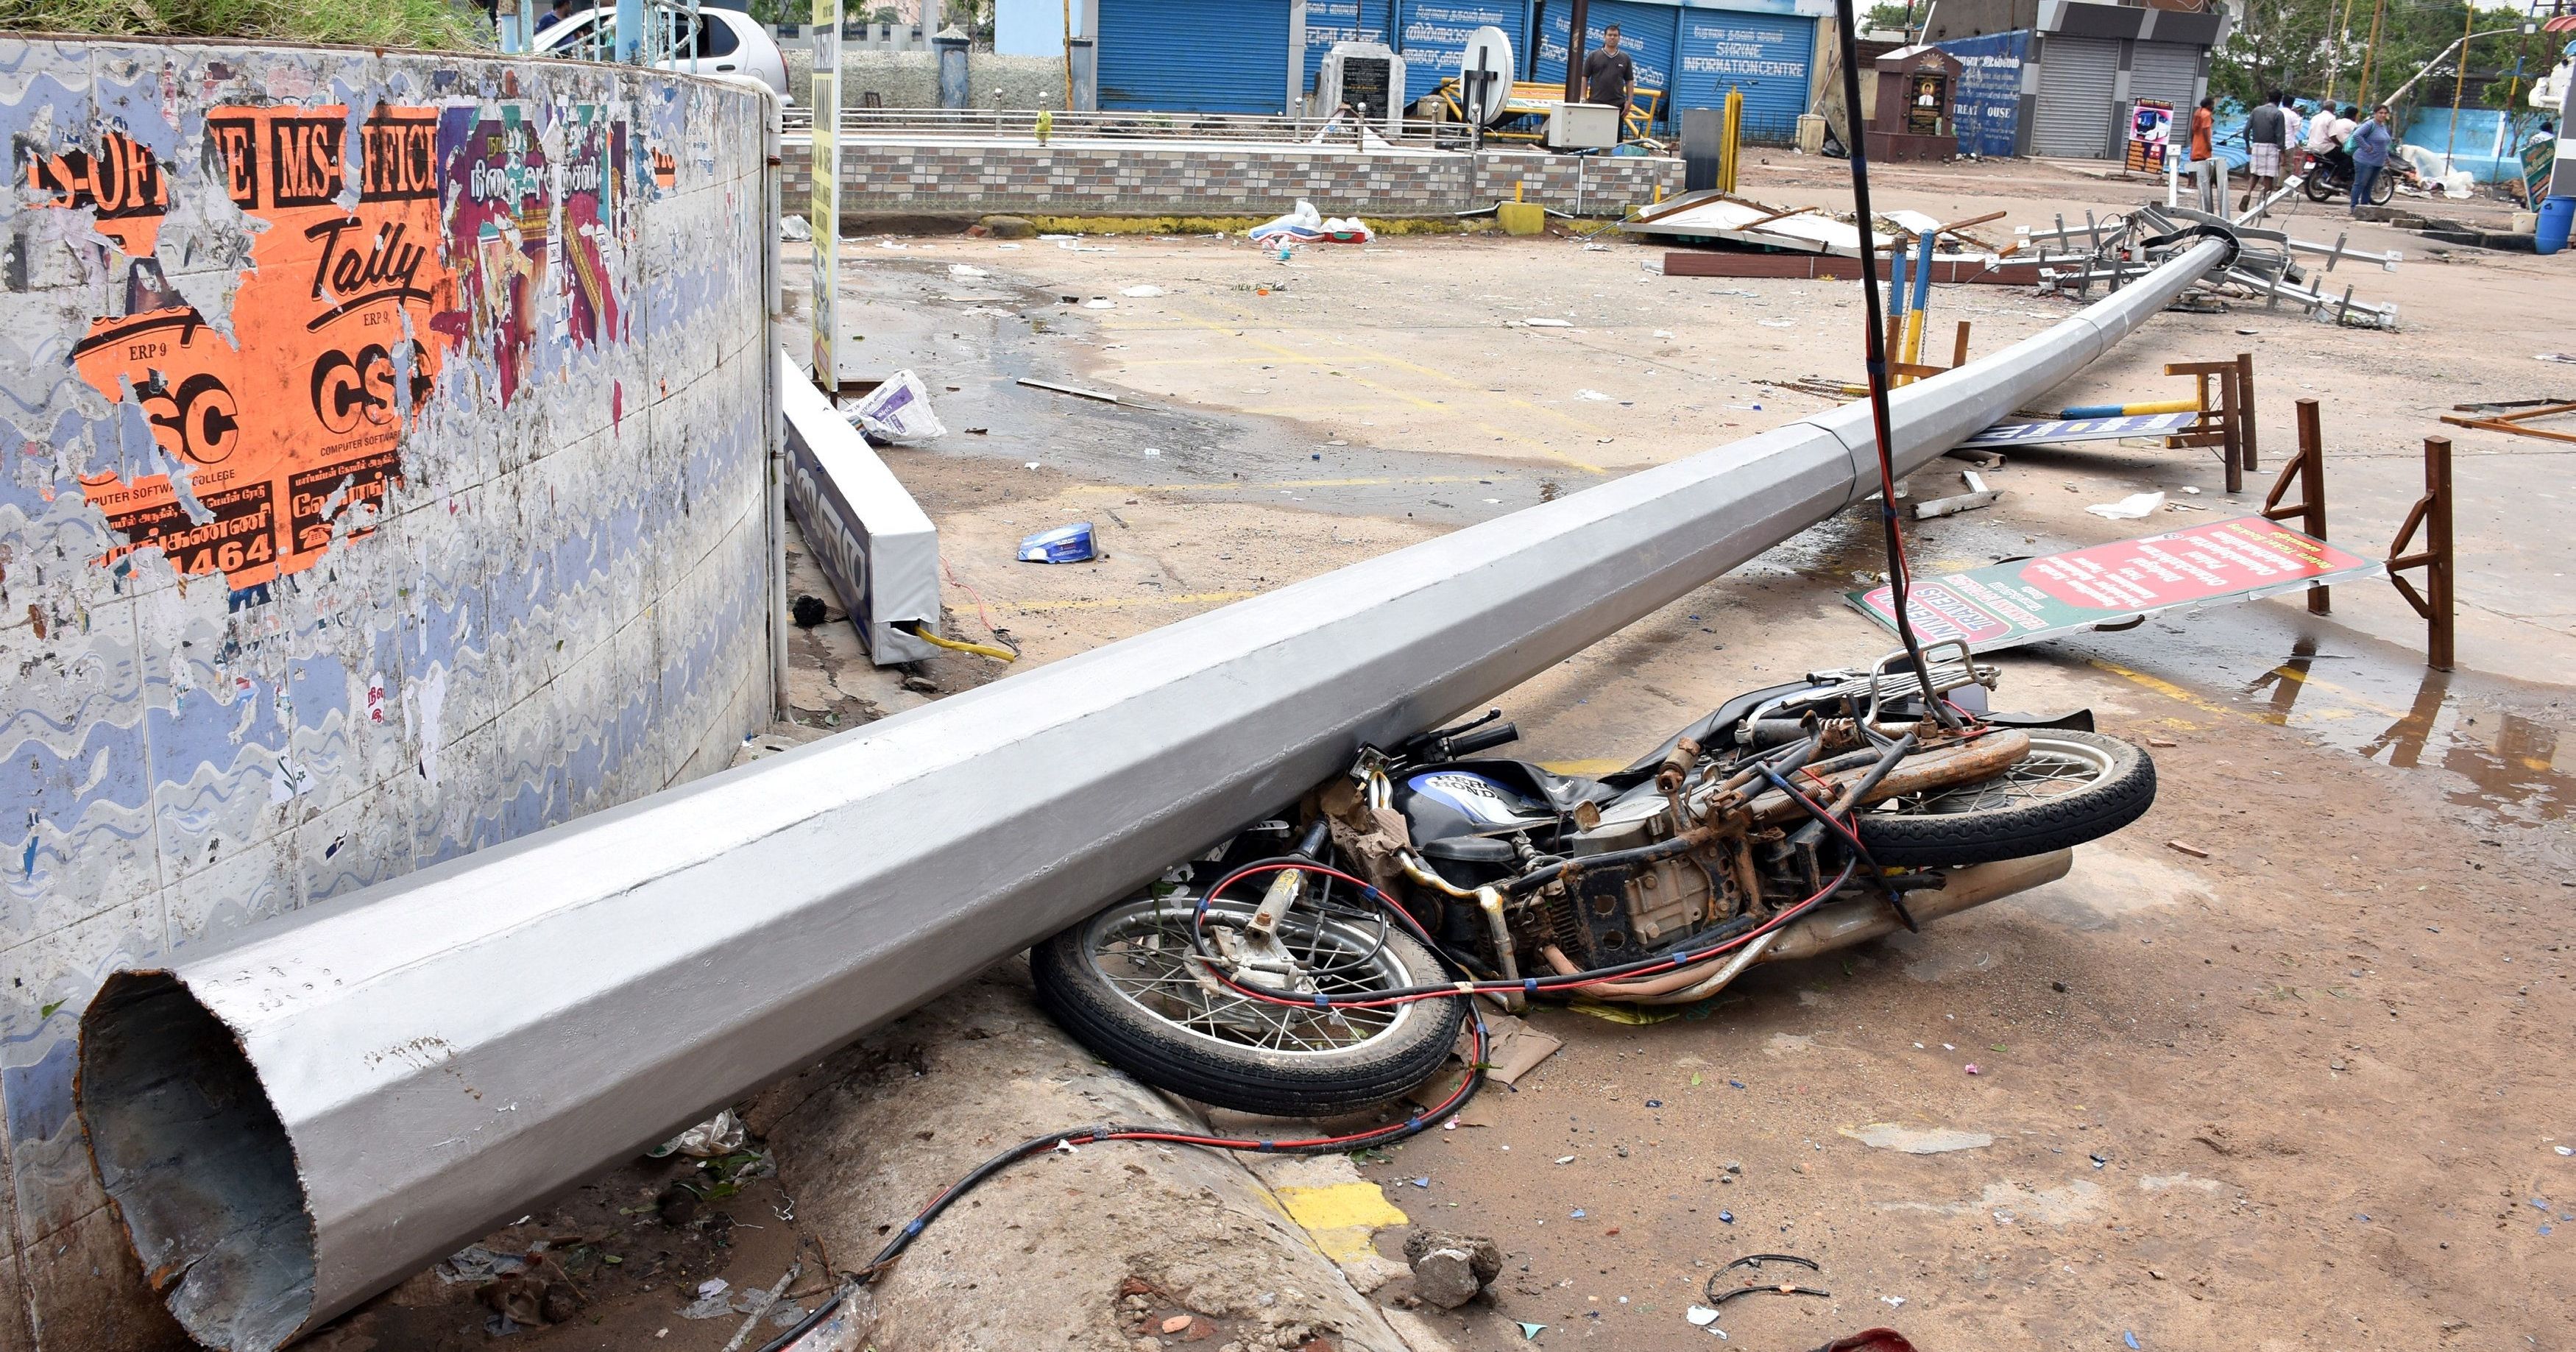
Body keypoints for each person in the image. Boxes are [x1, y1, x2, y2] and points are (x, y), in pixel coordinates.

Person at [2239, 89, 2294, 210]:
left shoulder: (2256, 110)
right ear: (2279, 100)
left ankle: (2247, 193)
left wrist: (2248, 145)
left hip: (2257, 145)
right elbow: (2280, 135)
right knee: (2269, 176)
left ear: (2268, 98)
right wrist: (2283, 155)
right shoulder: (2278, 114)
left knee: (2255, 173)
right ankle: (2263, 205)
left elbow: (2246, 130)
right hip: (2271, 147)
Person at [2348, 103, 2393, 213]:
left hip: (2378, 161)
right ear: (2375, 114)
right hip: (2364, 160)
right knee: (2360, 183)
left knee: (2369, 185)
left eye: (2385, 113)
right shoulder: (2370, 124)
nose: (2383, 115)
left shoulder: (2383, 127)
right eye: (2380, 113)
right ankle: (2354, 207)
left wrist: (2386, 157)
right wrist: (2366, 147)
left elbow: (2383, 144)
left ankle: (2364, 207)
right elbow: (2357, 135)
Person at [1582, 24, 1636, 114]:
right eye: (1610, 35)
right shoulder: (1593, 56)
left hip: (1618, 105)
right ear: (1604, 37)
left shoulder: (1625, 58)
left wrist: (1629, 101)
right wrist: (1583, 98)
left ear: (1619, 38)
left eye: (1615, 35)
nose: (1612, 37)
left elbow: (1629, 81)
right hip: (1596, 103)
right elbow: (1584, 77)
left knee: (1616, 129)